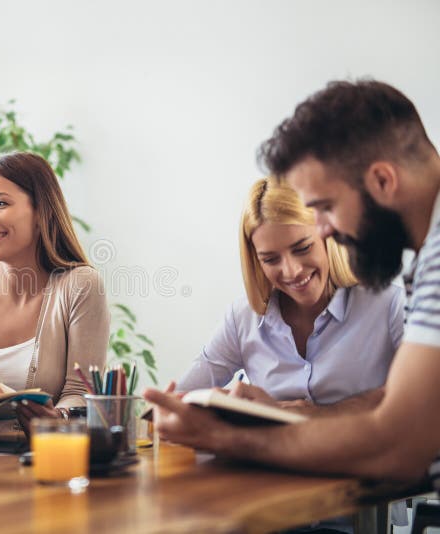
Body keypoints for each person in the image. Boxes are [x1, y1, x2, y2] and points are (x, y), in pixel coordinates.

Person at [144, 79, 440, 489]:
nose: (325, 230)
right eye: (270, 258)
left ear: (383, 181)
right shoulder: (427, 264)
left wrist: (226, 437)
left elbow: (399, 443)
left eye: (326, 208)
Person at [178, 177, 404, 413]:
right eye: (270, 259)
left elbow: (421, 399)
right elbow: (180, 398)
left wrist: (315, 415)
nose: (292, 271)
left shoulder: (390, 306)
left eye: (303, 248)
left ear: (328, 236)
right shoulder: (242, 318)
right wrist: (224, 408)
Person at [0, 152, 109, 434]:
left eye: (0, 203)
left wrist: (58, 418)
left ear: (40, 213)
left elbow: (81, 393)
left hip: (49, 455)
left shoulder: (80, 286)